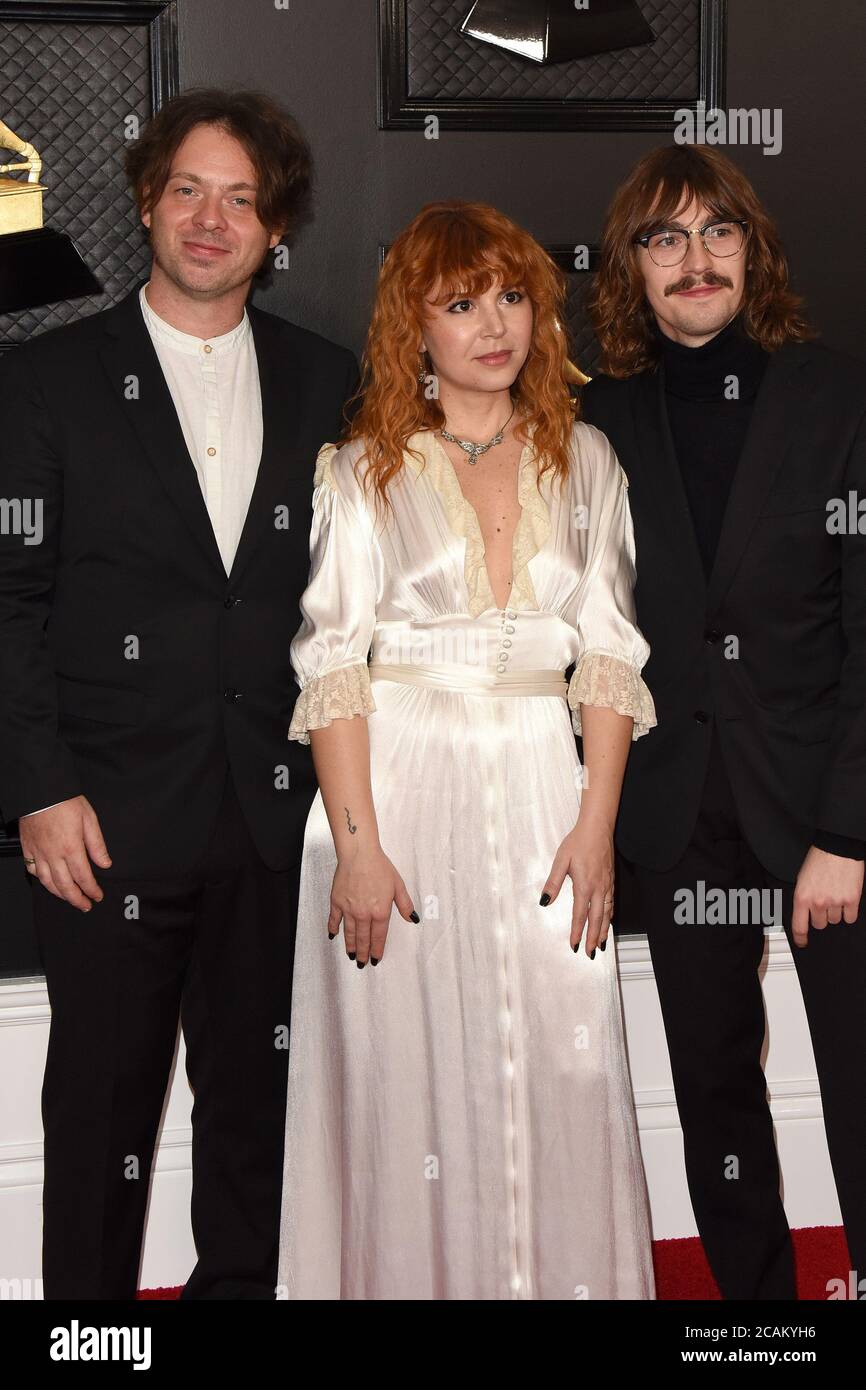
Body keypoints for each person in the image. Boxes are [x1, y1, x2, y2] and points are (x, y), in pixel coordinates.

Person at [0, 87, 358, 1299]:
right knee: (100, 1131)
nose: (212, 220)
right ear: (150, 202)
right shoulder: (45, 381)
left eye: (241, 200)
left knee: (258, 1125)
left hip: (271, 821)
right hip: (102, 831)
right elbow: (6, 604)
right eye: (190, 190)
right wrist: (40, 790)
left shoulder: (328, 382)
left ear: (276, 229)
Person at [277, 200, 657, 1300]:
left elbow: (609, 658)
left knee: (564, 1061)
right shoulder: (361, 471)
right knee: (404, 1081)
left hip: (547, 788)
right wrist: (355, 847)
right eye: (459, 302)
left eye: (510, 296)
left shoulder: (584, 459)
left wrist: (595, 826)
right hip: (394, 793)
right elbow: (333, 665)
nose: (492, 323)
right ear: (416, 328)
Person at [580, 143, 866, 1300]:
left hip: (822, 817)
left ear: (753, 251)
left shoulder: (838, 396)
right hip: (675, 817)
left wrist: (846, 832)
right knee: (711, 1092)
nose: (692, 260)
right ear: (633, 270)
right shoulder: (596, 421)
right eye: (663, 238)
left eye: (716, 233)